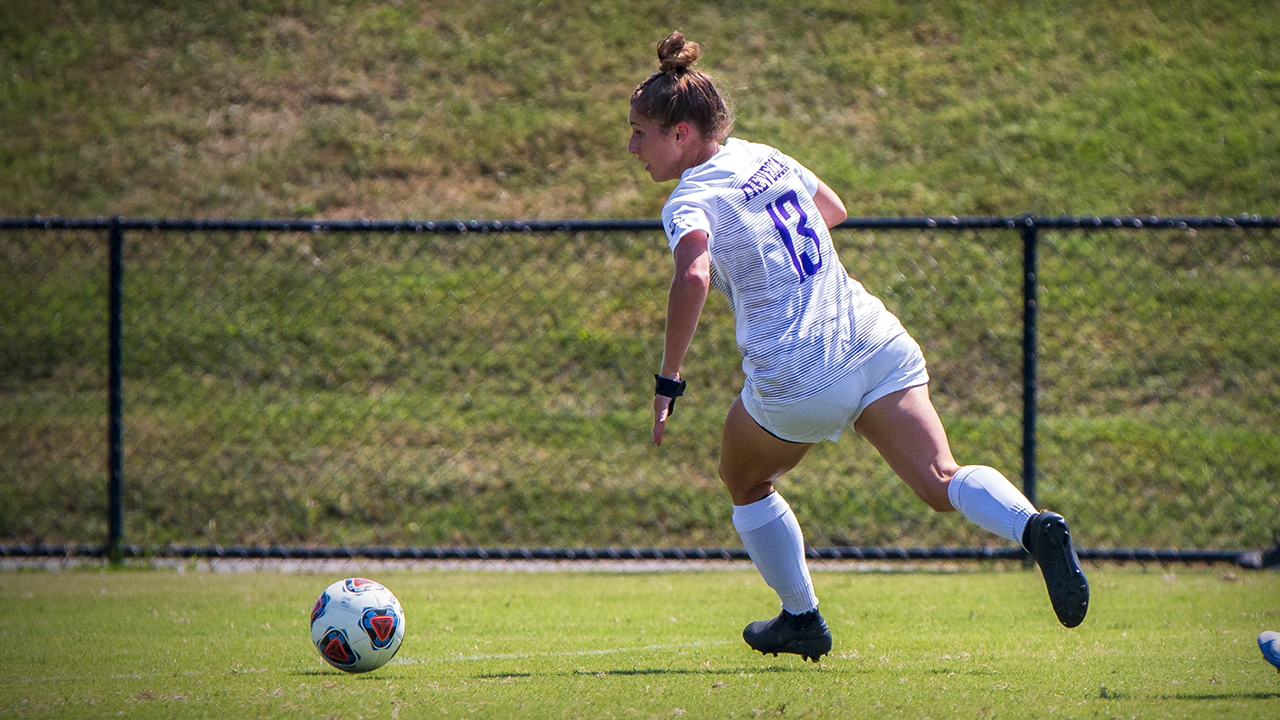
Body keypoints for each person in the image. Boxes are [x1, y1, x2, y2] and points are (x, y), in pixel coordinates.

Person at [629, 31, 1089, 662]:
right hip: (872, 340)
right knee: (939, 478)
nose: (632, 148)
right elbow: (834, 209)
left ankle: (802, 619)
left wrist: (669, 378)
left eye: (639, 133)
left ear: (680, 134)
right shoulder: (765, 156)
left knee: (743, 477)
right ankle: (1032, 526)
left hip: (799, 373)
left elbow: (694, 274)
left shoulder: (689, 197)